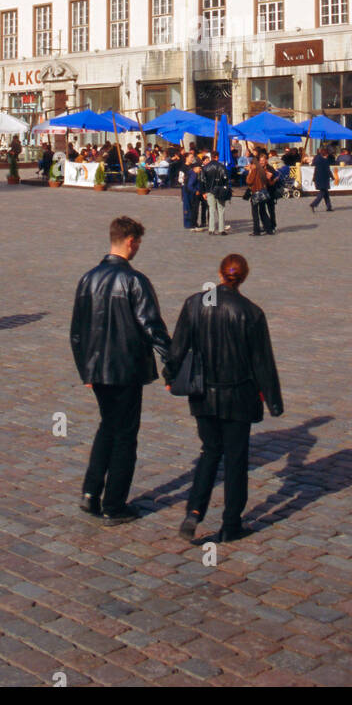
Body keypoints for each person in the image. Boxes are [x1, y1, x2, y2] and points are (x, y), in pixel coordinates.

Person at [166, 253, 283, 544]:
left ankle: (194, 511)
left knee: (209, 452)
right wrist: (274, 401)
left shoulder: (195, 304)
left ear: (220, 274)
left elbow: (177, 348)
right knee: (236, 459)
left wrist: (170, 376)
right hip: (238, 395)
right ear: (243, 277)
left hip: (203, 393)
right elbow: (263, 362)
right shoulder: (251, 312)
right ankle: (231, 523)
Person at [70, 216, 171, 523]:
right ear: (130, 241)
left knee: (107, 427)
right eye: (138, 243)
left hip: (97, 369)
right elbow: (152, 325)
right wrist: (173, 360)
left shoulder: (87, 278)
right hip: (126, 369)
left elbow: (77, 332)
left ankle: (91, 493)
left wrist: (85, 370)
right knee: (125, 435)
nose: (138, 248)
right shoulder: (134, 280)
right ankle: (114, 505)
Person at [201, 150, 232, 236]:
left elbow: (202, 180)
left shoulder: (205, 167)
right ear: (217, 157)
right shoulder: (222, 167)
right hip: (220, 190)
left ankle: (211, 229)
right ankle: (221, 229)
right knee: (221, 210)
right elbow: (226, 179)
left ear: (211, 157)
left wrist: (203, 192)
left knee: (211, 210)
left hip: (209, 190)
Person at [244, 155, 275, 235]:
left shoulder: (254, 170)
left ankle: (256, 230)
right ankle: (269, 229)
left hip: (256, 193)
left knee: (255, 213)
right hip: (263, 193)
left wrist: (249, 172)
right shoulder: (262, 170)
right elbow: (268, 182)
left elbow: (249, 181)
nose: (250, 165)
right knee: (263, 211)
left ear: (253, 164)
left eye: (251, 164)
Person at [309, 145, 334, 214]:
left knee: (326, 193)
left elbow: (314, 166)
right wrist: (332, 177)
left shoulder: (317, 158)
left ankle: (329, 207)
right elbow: (328, 170)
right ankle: (313, 204)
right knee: (322, 192)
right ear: (325, 153)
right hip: (323, 179)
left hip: (317, 178)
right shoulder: (325, 160)